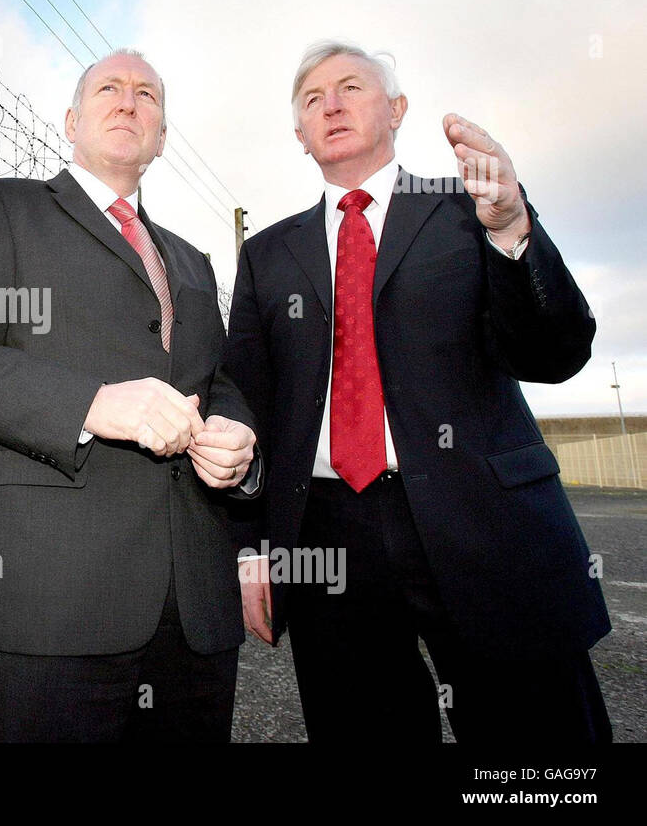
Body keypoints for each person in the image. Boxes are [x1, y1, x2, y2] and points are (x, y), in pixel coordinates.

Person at [221, 40, 612, 742]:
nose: (331, 104)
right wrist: (250, 548)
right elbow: (245, 404)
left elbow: (556, 354)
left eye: (351, 87)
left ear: (397, 109)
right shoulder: (267, 253)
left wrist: (513, 228)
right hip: (327, 537)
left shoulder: (473, 210)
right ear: (299, 133)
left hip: (484, 520)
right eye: (312, 99)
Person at [0, 49, 260, 742]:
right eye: (110, 88)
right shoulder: (8, 208)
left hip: (196, 609)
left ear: (161, 136)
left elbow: (219, 383)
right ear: (72, 120)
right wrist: (95, 404)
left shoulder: (193, 260)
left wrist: (238, 441)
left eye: (147, 95)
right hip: (57, 602)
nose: (129, 101)